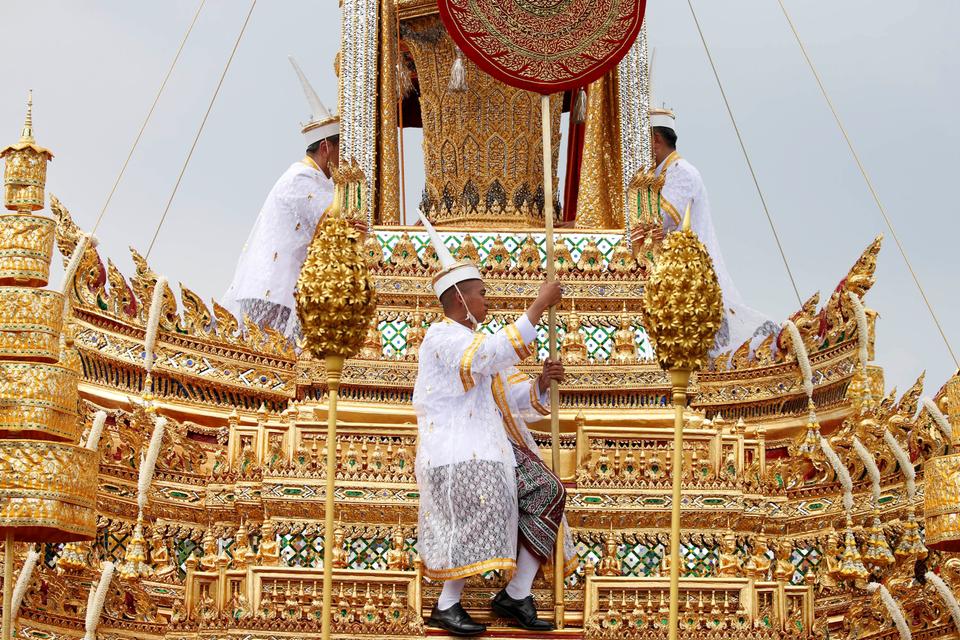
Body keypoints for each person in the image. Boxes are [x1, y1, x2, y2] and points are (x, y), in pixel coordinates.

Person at [412, 211, 575, 636]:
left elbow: (512, 397)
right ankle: (447, 604)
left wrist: (541, 382)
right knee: (481, 504)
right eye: (482, 294)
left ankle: (516, 593)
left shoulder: (478, 341)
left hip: (493, 447)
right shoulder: (442, 337)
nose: (488, 301)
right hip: (459, 451)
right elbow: (486, 358)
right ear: (460, 298)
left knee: (548, 490)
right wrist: (537, 307)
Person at [222, 57, 340, 340]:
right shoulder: (300, 178)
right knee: (266, 356)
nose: (342, 159)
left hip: (280, 288)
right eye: (340, 150)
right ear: (325, 147)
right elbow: (337, 216)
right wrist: (354, 182)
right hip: (270, 288)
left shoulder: (312, 179)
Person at [650, 105, 777, 357]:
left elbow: (661, 219)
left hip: (691, 272)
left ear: (655, 140)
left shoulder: (681, 172)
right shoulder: (662, 173)